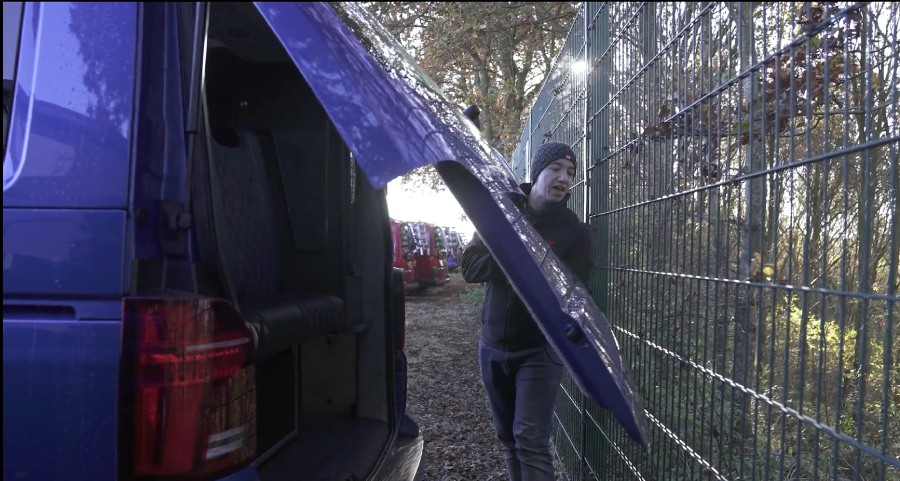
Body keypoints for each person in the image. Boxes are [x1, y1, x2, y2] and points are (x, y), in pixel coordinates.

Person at [460, 141, 592, 481]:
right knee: (508, 440)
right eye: (556, 169)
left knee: (530, 441)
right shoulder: (502, 212)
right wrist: (511, 254)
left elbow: (579, 292)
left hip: (540, 350)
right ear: (536, 174)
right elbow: (470, 267)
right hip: (492, 346)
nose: (564, 178)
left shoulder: (572, 231)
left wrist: (575, 321)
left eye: (571, 173)